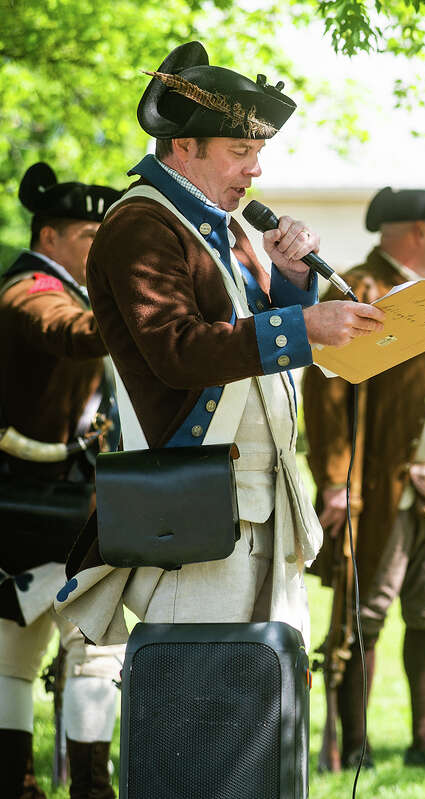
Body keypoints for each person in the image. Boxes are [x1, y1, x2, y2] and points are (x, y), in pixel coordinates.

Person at [53, 41, 384, 656]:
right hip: (197, 512)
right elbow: (178, 352)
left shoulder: (217, 229)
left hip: (255, 502)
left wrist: (287, 281)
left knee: (264, 712)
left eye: (257, 153)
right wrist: (306, 327)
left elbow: (246, 352)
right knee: (201, 714)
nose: (255, 170)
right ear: (184, 148)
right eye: (241, 152)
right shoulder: (142, 225)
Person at [302, 187, 425, 775]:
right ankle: (354, 744)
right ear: (416, 231)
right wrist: (336, 482)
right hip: (381, 487)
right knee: (366, 614)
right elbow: (327, 392)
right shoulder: (359, 287)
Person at [0, 162, 123, 799]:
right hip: (42, 507)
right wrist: (140, 316)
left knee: (22, 658)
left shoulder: (61, 286)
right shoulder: (28, 289)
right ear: (48, 237)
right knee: (84, 649)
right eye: (89, 239)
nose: (100, 252)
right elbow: (64, 331)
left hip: (53, 501)